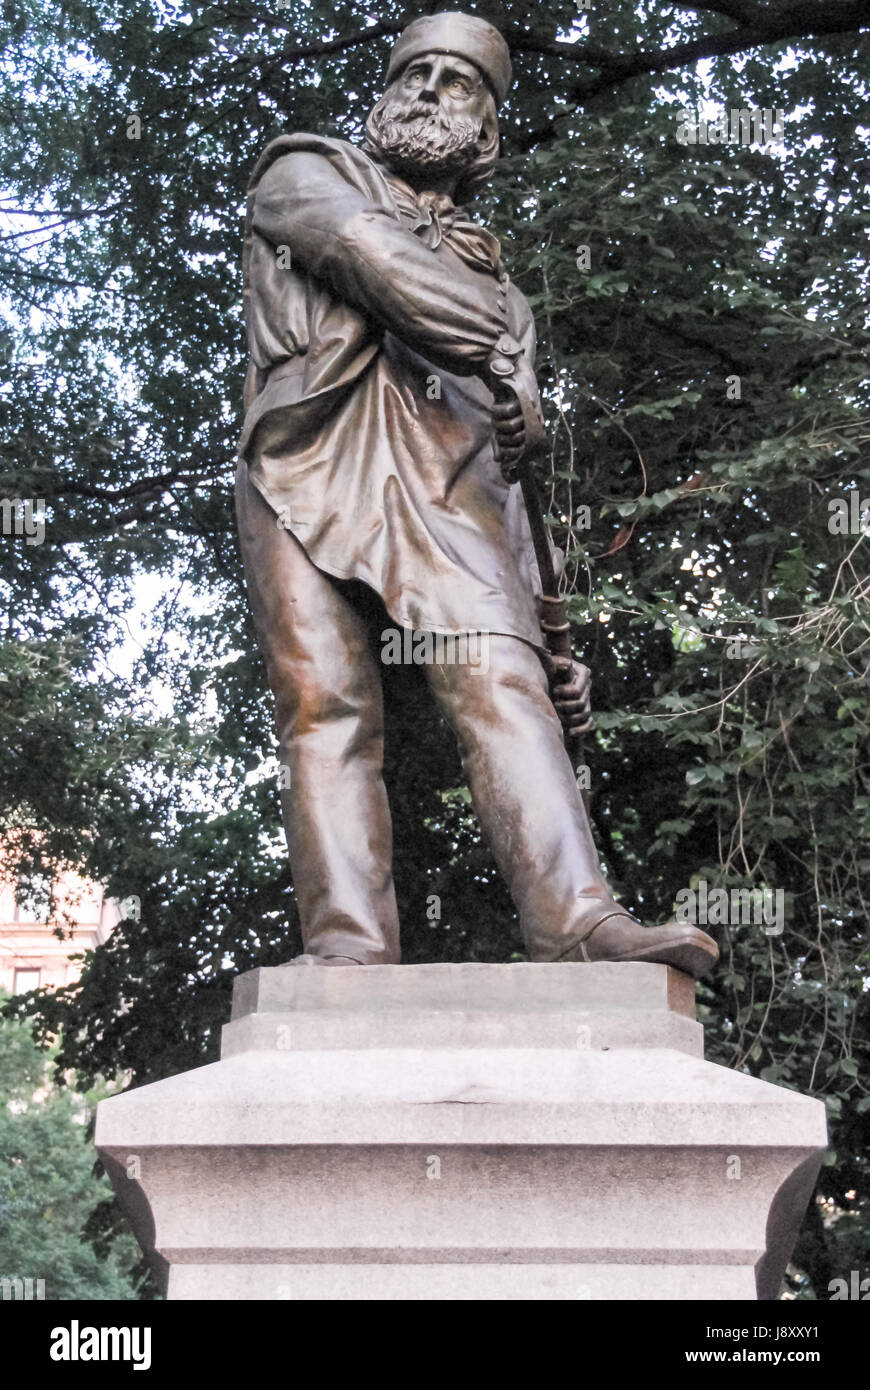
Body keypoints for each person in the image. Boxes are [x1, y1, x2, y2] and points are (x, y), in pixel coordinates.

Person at [235, 11, 718, 977]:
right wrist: (502, 344)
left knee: (503, 680)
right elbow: (378, 263)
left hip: (450, 493)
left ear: (487, 127)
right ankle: (347, 953)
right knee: (323, 706)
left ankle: (578, 924)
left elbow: (509, 469)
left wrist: (548, 635)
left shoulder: (501, 289)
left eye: (456, 81)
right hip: (301, 464)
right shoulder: (303, 172)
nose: (426, 91)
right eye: (414, 74)